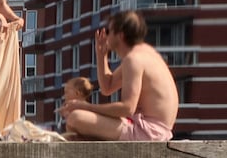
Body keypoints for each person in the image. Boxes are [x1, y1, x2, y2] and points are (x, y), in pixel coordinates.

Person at [63, 10, 178, 141]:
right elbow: (107, 87)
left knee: (75, 118)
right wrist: (101, 56)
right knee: (78, 121)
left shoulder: (134, 60)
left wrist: (85, 106)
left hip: (148, 132)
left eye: (109, 31)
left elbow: (127, 108)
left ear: (120, 35)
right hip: (154, 130)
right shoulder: (145, 53)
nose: (105, 35)